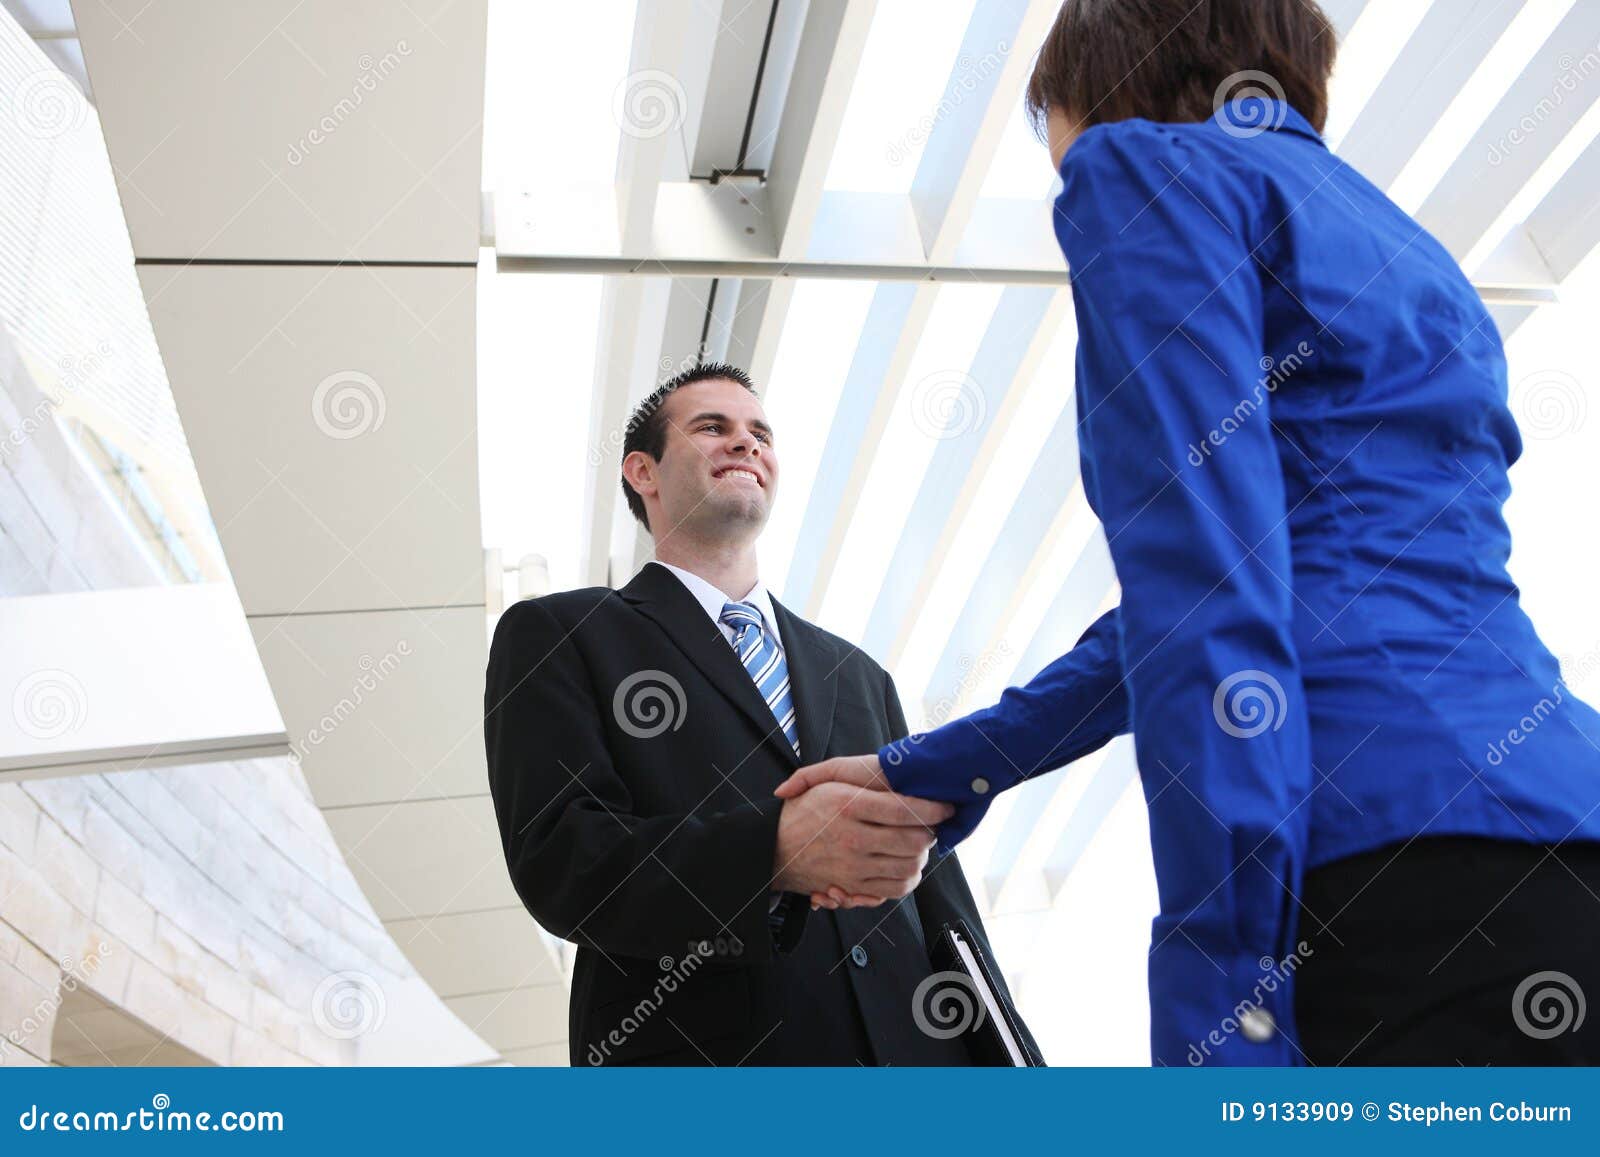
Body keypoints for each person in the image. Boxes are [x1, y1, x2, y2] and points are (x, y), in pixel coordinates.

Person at [776, 0, 1600, 1066]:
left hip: (1389, 862)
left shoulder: (1145, 169)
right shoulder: (1410, 251)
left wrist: (1228, 1009)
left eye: (1053, 134)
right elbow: (1292, 570)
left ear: (1104, 85)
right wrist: (939, 766)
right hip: (1561, 820)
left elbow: (1206, 583)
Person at [483, 363, 1038, 1065]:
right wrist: (773, 850)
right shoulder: (562, 634)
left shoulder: (858, 674)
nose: (745, 444)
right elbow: (563, 860)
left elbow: (942, 902)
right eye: (712, 427)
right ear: (642, 473)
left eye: (760, 434)